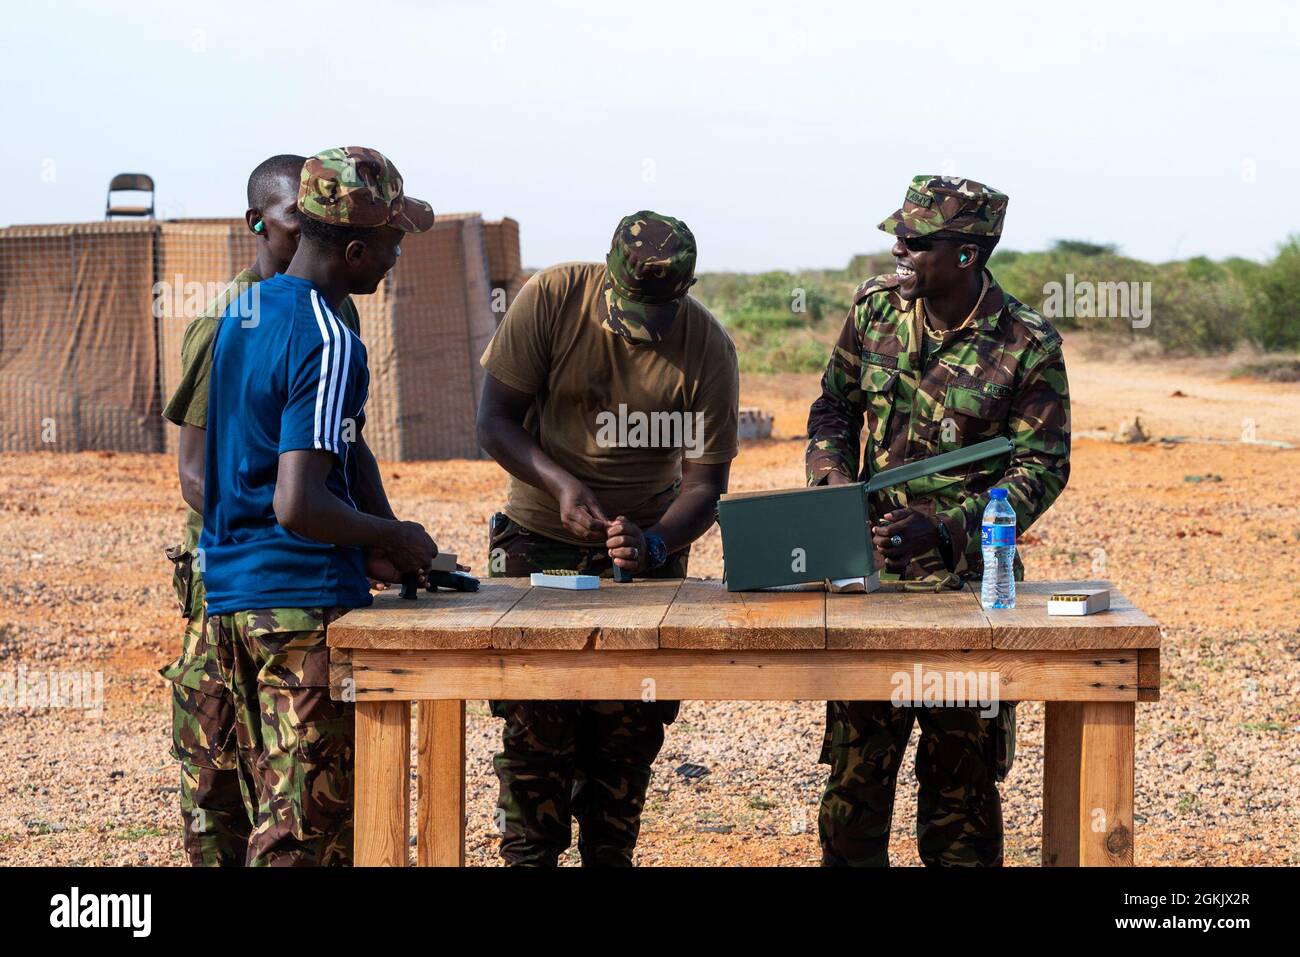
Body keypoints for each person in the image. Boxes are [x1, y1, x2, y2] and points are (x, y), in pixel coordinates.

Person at [805, 175, 1071, 866]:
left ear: (966, 254)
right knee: (853, 793)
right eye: (899, 232)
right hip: (868, 585)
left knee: (961, 801)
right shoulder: (874, 310)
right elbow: (832, 408)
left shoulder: (1027, 342)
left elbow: (1042, 467)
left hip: (971, 595)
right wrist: (831, 475)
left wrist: (951, 525)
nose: (898, 247)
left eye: (917, 240)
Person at [476, 211, 739, 866]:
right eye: (628, 309)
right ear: (607, 276)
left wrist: (653, 542)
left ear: (685, 290)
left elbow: (705, 485)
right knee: (537, 735)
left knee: (622, 749)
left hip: (644, 558)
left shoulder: (708, 349)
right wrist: (562, 486)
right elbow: (494, 421)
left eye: (657, 313)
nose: (639, 328)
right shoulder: (553, 298)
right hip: (541, 542)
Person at [200, 146, 438, 865]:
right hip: (300, 609)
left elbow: (294, 458)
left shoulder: (244, 310)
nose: (396, 265)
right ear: (357, 251)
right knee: (306, 836)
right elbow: (299, 503)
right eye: (394, 247)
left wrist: (371, 538)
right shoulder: (332, 339)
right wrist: (395, 531)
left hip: (232, 603)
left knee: (262, 815)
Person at [159, 153, 366, 866]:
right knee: (228, 785)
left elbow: (345, 450)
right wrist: (277, 535)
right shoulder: (232, 320)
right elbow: (197, 473)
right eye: (289, 222)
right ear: (262, 225)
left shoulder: (329, 310)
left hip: (262, 574)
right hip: (243, 578)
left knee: (288, 797)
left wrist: (388, 538)